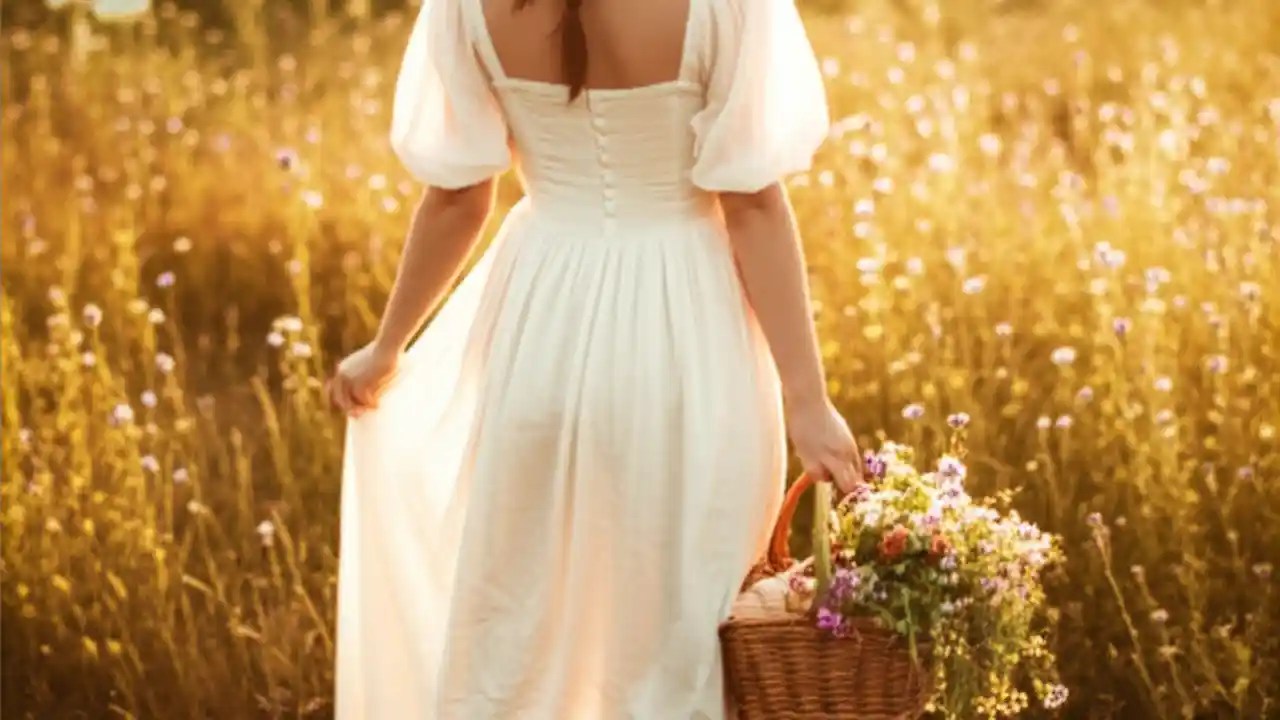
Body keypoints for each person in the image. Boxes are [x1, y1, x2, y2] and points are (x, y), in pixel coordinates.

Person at [326, 0, 863, 716]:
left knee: (525, 616)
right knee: (682, 621)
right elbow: (754, 206)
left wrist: (386, 347)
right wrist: (807, 402)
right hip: (689, 331)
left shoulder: (465, 7)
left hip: (541, 318)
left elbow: (457, 198)